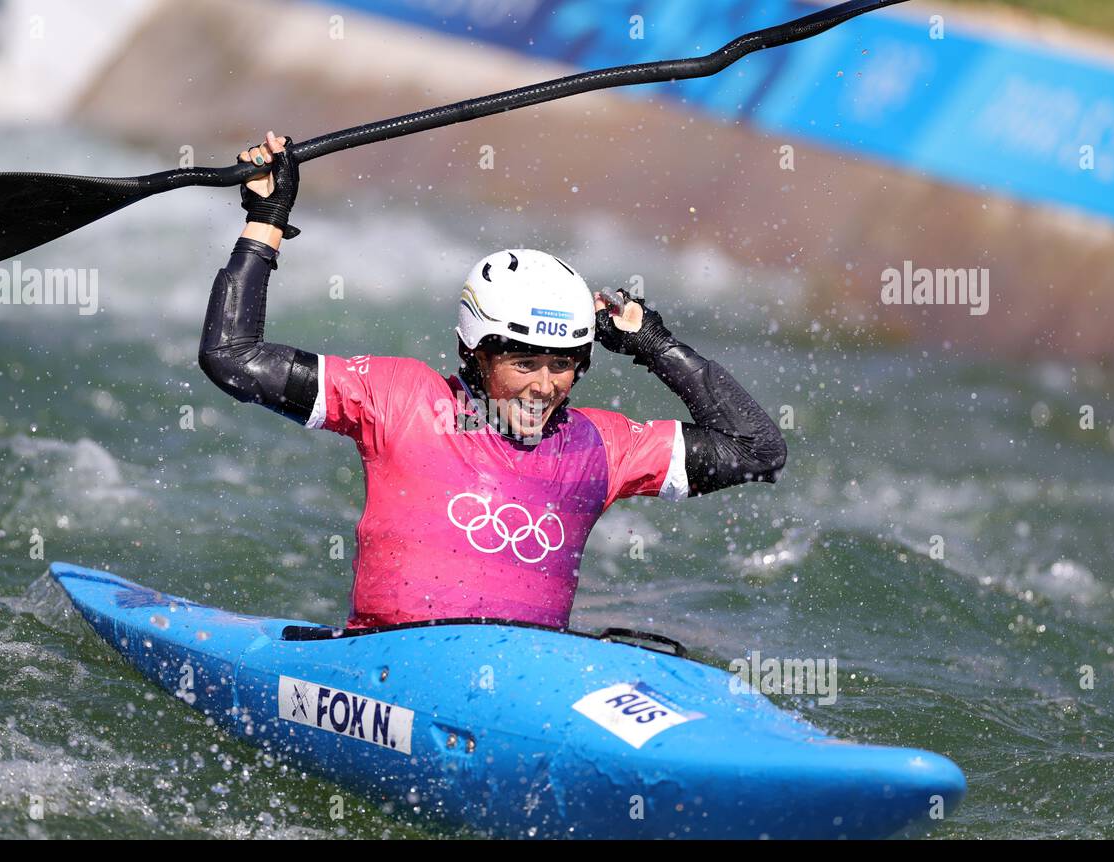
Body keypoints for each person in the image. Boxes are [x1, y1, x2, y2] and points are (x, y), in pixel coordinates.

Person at [200, 131, 787, 629]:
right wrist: (266, 223)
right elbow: (231, 356)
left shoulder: (601, 447)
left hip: (526, 690)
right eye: (523, 363)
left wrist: (655, 346)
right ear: (473, 354)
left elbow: (759, 450)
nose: (544, 385)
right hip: (385, 669)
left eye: (563, 365)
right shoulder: (401, 401)